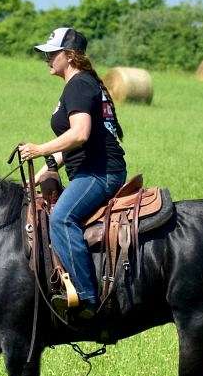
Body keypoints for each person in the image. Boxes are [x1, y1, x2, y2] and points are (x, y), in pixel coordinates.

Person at [19, 27, 127, 319]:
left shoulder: (79, 85)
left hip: (100, 173)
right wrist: (46, 169)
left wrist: (39, 148)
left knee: (62, 218)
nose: (47, 58)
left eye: (52, 53)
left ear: (69, 55)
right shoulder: (82, 84)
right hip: (90, 171)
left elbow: (80, 134)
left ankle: (88, 300)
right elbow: (74, 144)